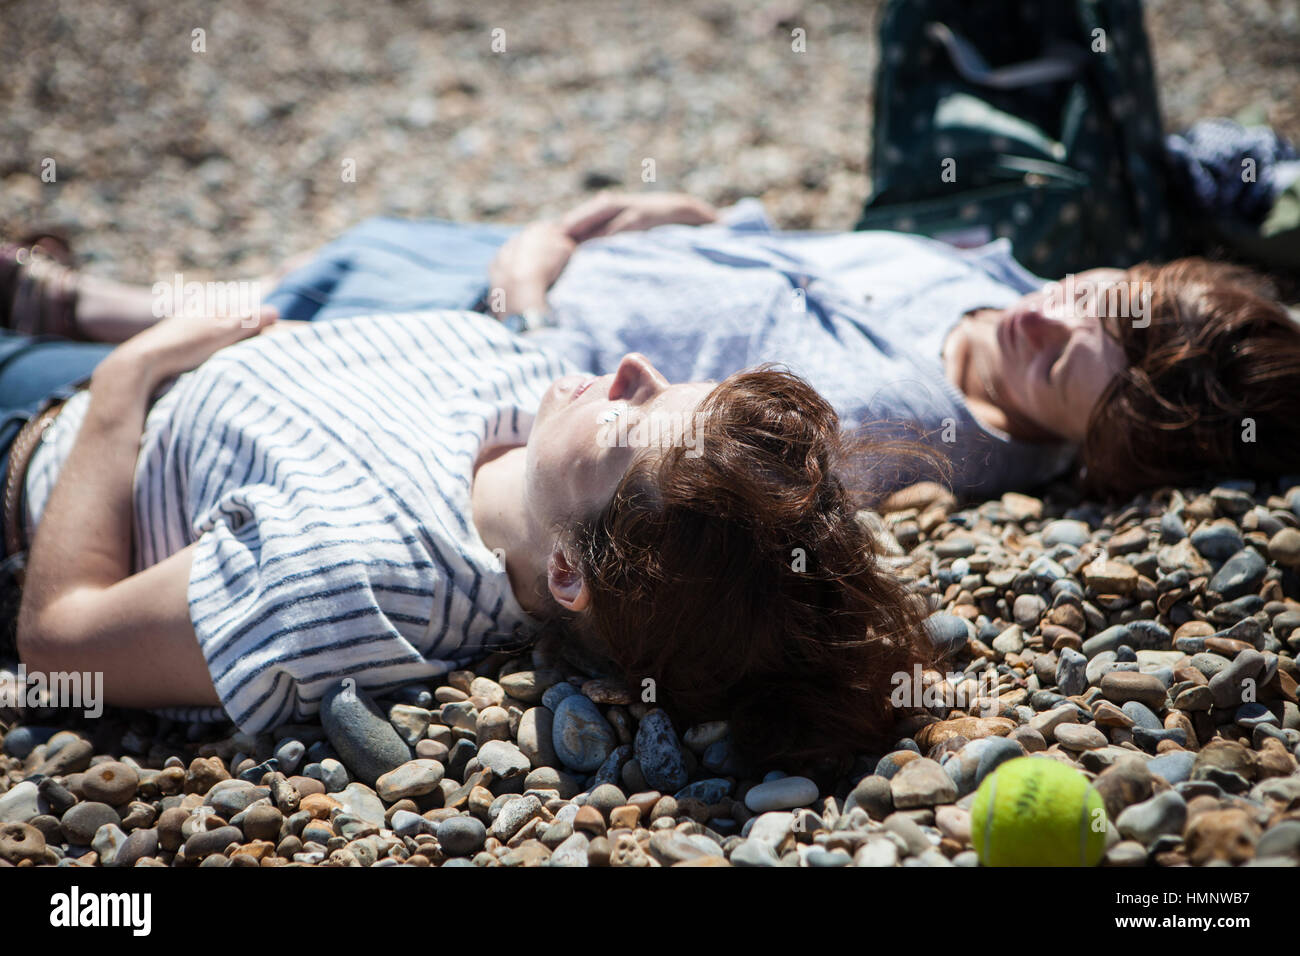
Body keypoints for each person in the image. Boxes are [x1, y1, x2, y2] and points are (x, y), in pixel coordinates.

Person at [0, 303, 933, 767]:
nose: (631, 368)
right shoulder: (546, 399)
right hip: (96, 382)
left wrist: (126, 382)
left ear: (569, 572)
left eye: (628, 415)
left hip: (42, 462)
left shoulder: (345, 582)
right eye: (667, 384)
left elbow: (59, 635)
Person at [8, 190, 1298, 500]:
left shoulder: (909, 443)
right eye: (1096, 290)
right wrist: (670, 208)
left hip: (478, 340)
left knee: (217, 360)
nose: (1053, 316)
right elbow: (779, 249)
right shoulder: (992, 286)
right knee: (351, 248)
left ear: (1104, 439)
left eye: (1081, 361)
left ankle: (70, 345)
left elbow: (643, 447)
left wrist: (524, 302)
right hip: (531, 251)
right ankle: (96, 303)